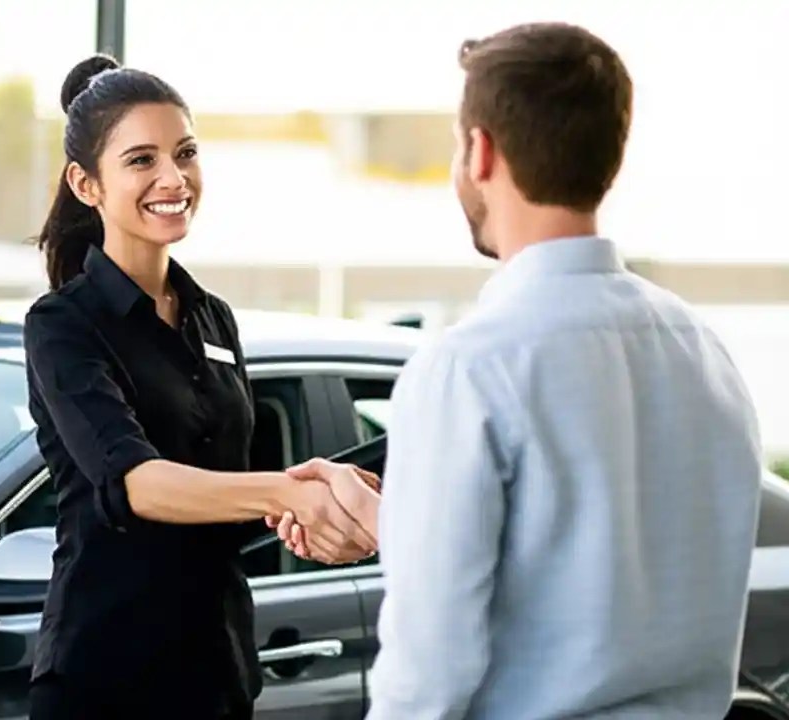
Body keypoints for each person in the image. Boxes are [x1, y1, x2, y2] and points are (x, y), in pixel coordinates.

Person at [278, 21, 764, 719]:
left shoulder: (467, 370)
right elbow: (596, 576)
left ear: (480, 151)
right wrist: (396, 522)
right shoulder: (703, 353)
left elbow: (426, 679)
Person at [22, 55, 379, 720]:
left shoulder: (214, 318)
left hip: (218, 675)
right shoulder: (62, 326)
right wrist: (282, 491)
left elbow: (222, 492)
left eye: (185, 153)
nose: (173, 178)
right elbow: (137, 483)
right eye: (141, 160)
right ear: (86, 183)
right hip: (106, 682)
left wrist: (304, 512)